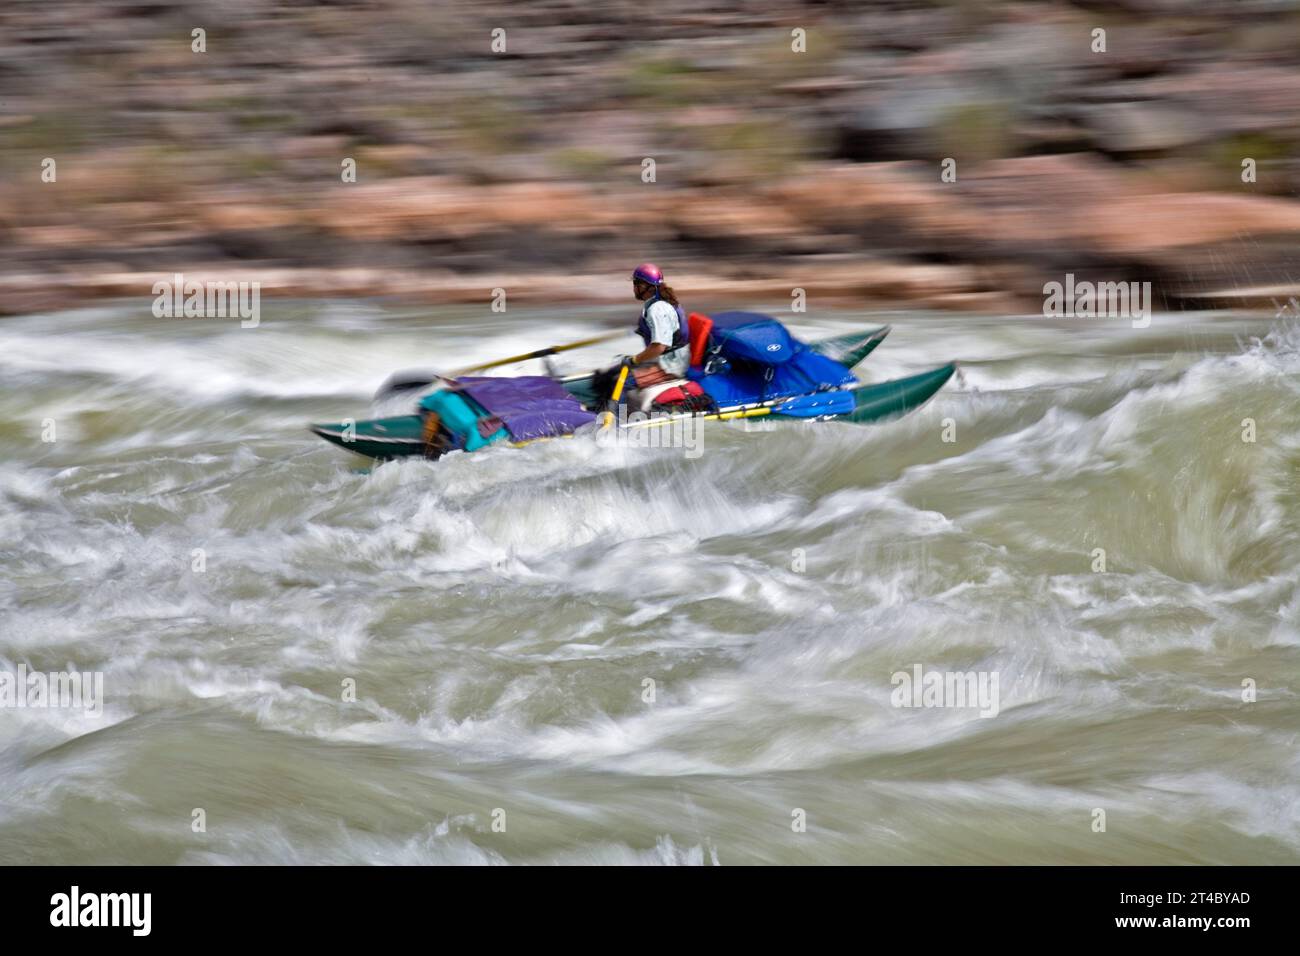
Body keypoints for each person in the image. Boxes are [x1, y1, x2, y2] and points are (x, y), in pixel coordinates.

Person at [609, 263, 690, 412]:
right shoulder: (657, 303)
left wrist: (635, 360)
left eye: (636, 283)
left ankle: (616, 423)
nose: (634, 288)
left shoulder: (657, 309)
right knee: (616, 369)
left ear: (647, 286)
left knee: (620, 380)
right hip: (666, 359)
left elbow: (659, 346)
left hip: (671, 366)